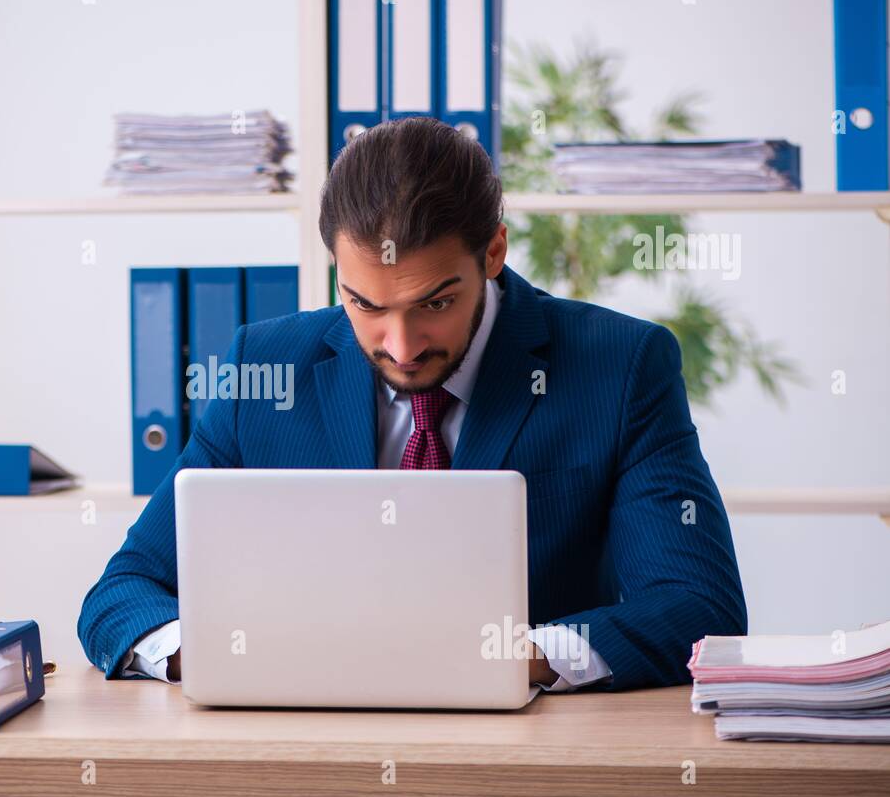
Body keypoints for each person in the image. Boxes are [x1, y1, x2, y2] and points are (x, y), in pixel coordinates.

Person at [78, 116, 747, 693]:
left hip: (527, 756)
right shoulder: (266, 366)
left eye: (434, 303)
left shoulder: (618, 367)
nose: (399, 346)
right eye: (365, 304)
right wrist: (223, 658)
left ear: (493, 250)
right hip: (299, 746)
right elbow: (121, 594)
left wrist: (513, 658)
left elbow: (698, 606)